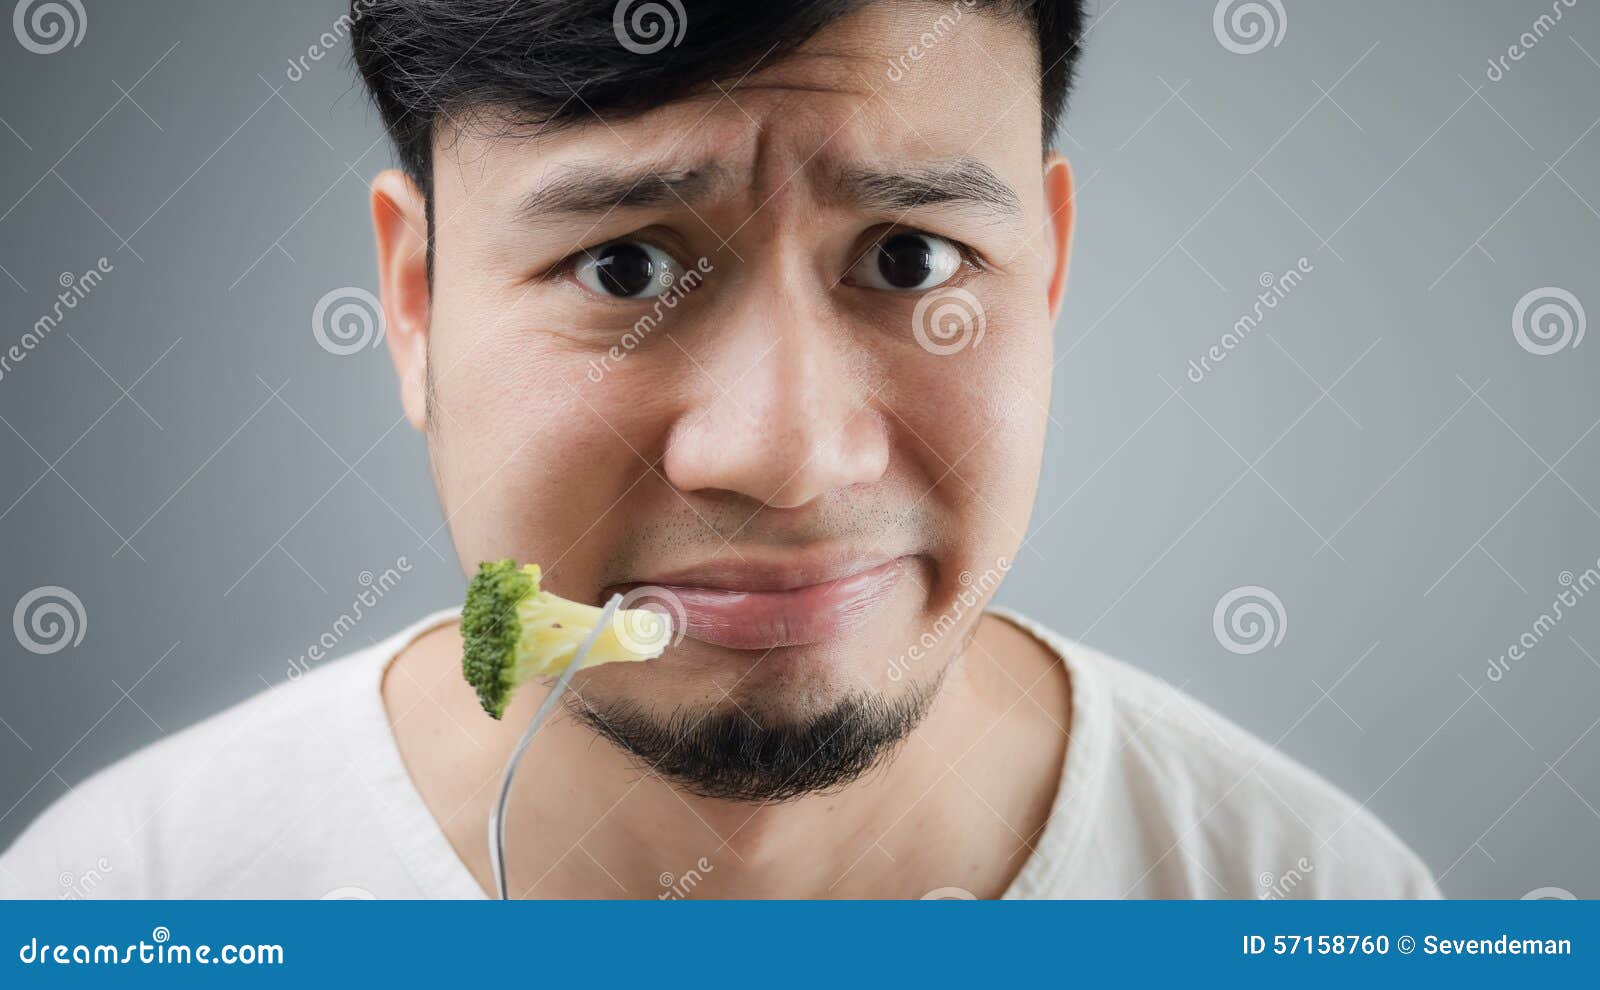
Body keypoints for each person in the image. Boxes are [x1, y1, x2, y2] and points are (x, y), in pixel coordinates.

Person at [0, 0, 1437, 899]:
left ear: (1045, 270)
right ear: (416, 304)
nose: (791, 457)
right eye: (625, 266)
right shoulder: (118, 902)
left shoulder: (1316, 904)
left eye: (912, 253)